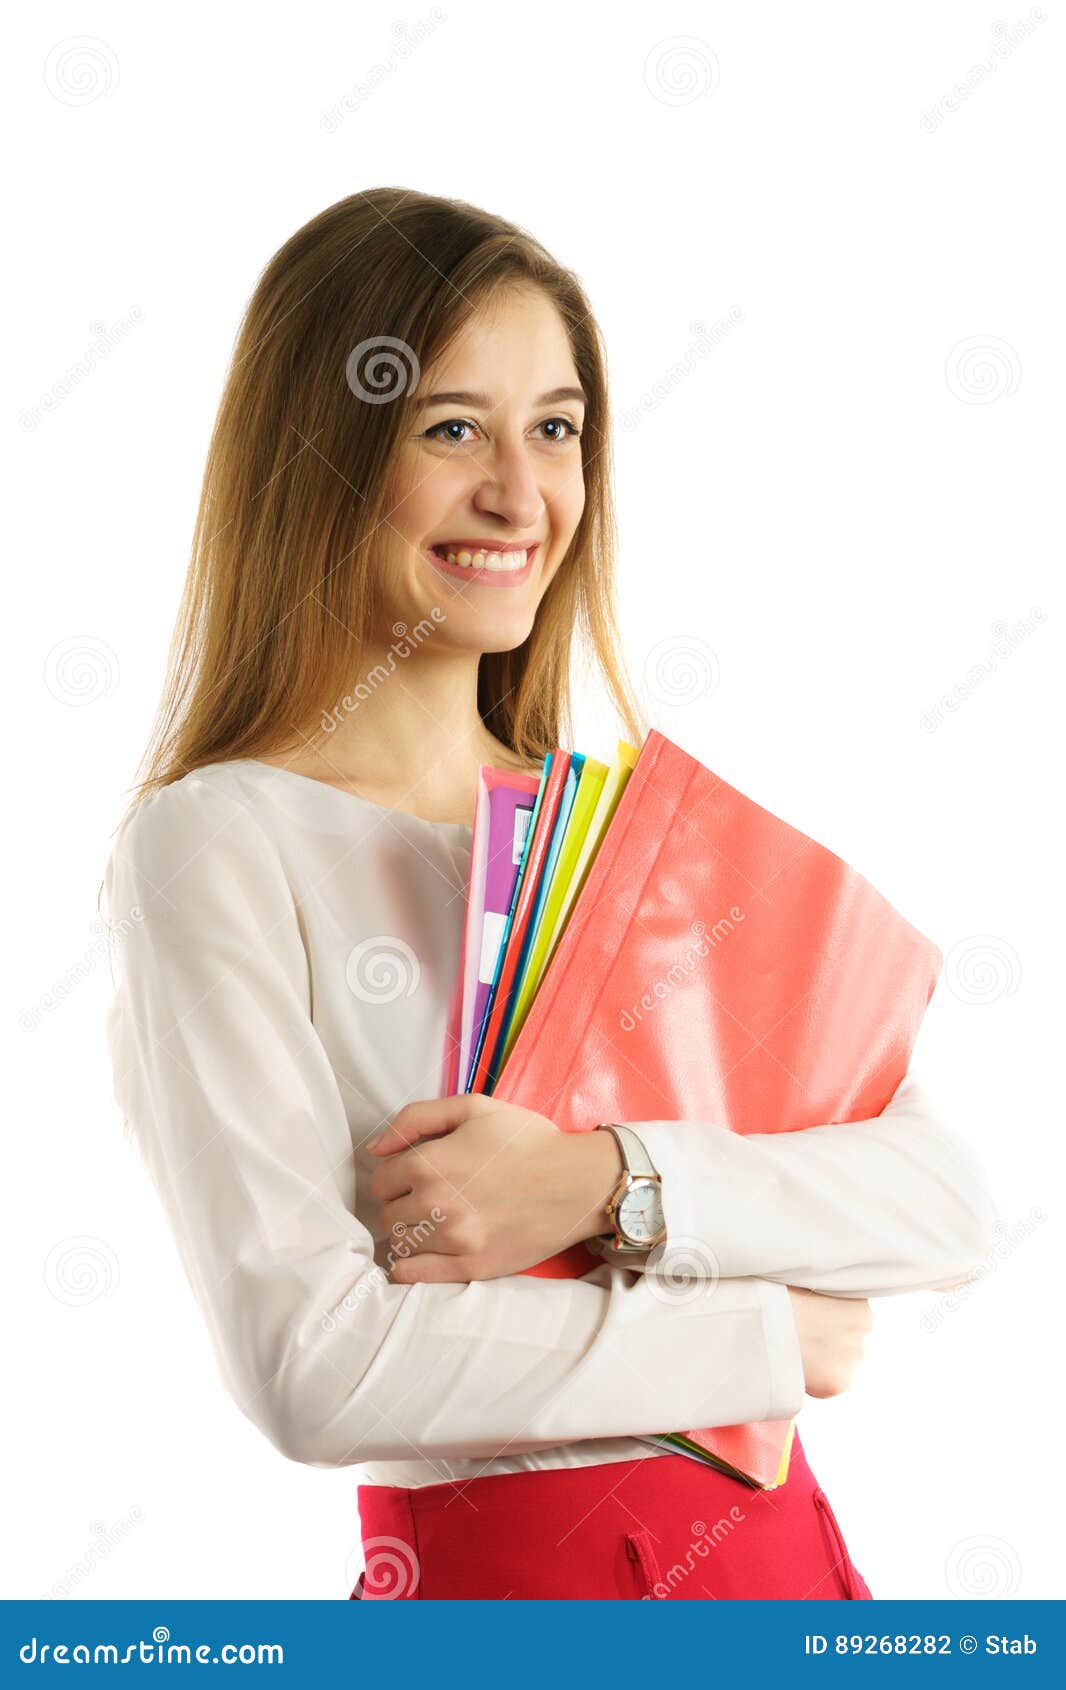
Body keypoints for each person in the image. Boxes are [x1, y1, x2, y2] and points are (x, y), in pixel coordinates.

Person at [102, 187, 995, 1601]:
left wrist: (598, 1183)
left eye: (557, 428)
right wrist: (772, 1336)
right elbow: (311, 1362)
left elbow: (946, 1201)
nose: (521, 496)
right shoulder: (220, 841)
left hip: (792, 1575)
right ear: (321, 457)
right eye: (450, 426)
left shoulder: (618, 832)